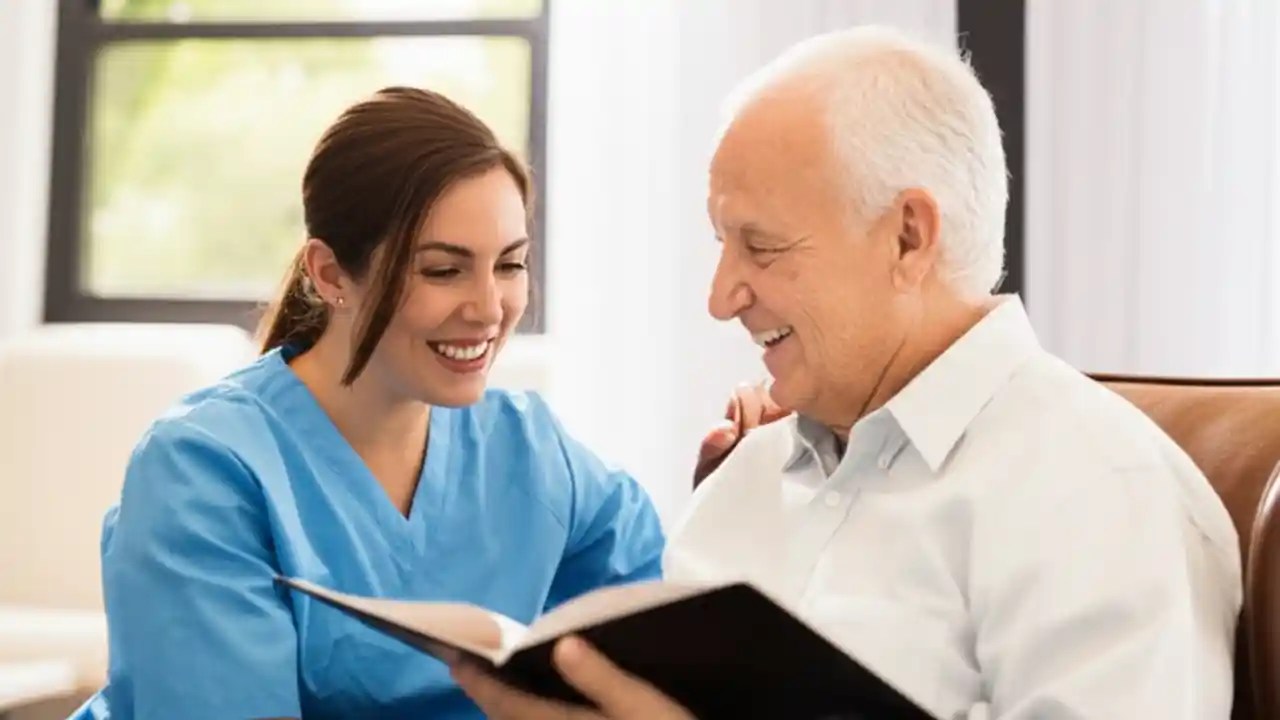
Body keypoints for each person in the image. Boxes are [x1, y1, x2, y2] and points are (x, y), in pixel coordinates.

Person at [453, 26, 1243, 720]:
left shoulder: (1098, 493)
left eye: (762, 247)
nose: (721, 298)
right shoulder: (744, 482)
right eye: (722, 246)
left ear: (907, 237)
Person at [75, 86, 670, 720]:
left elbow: (663, 634)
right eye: (443, 270)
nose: (489, 309)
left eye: (510, 265)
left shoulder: (534, 455)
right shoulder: (202, 469)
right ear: (331, 274)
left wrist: (733, 491)